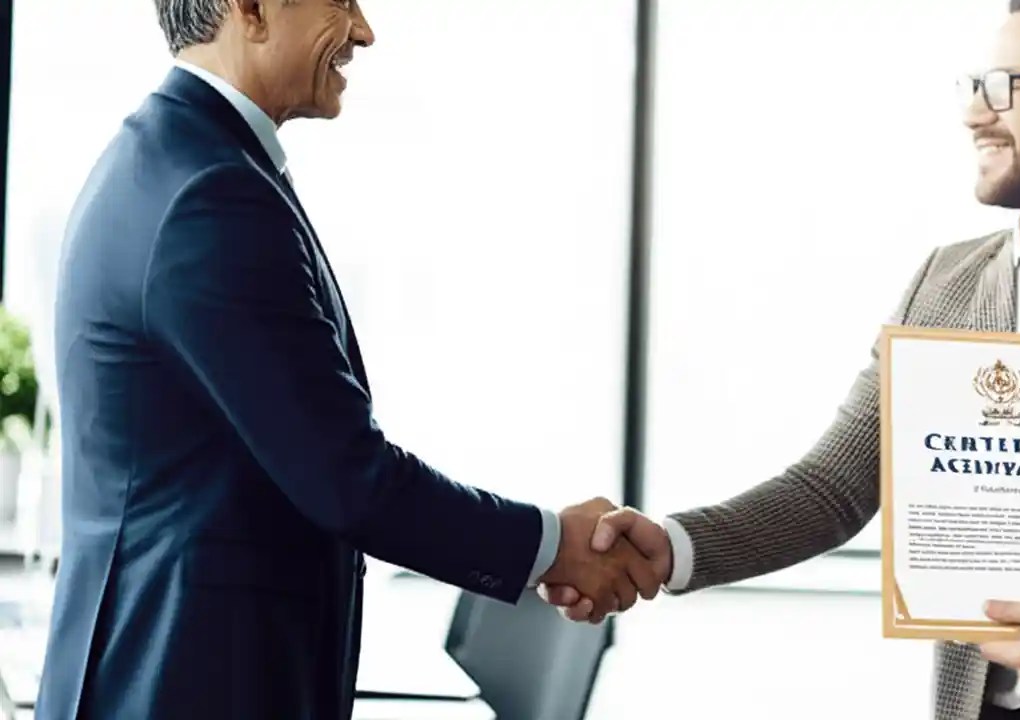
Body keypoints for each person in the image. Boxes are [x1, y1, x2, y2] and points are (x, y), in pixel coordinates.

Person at [544, 0, 1020, 718]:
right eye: (974, 86)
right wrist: (670, 546)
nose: (974, 113)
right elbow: (832, 487)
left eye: (1006, 87)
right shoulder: (943, 281)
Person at [37, 1, 655, 718]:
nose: (364, 30)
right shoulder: (212, 192)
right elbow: (348, 480)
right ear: (252, 9)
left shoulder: (176, 159)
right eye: (340, 1)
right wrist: (553, 545)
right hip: (186, 684)